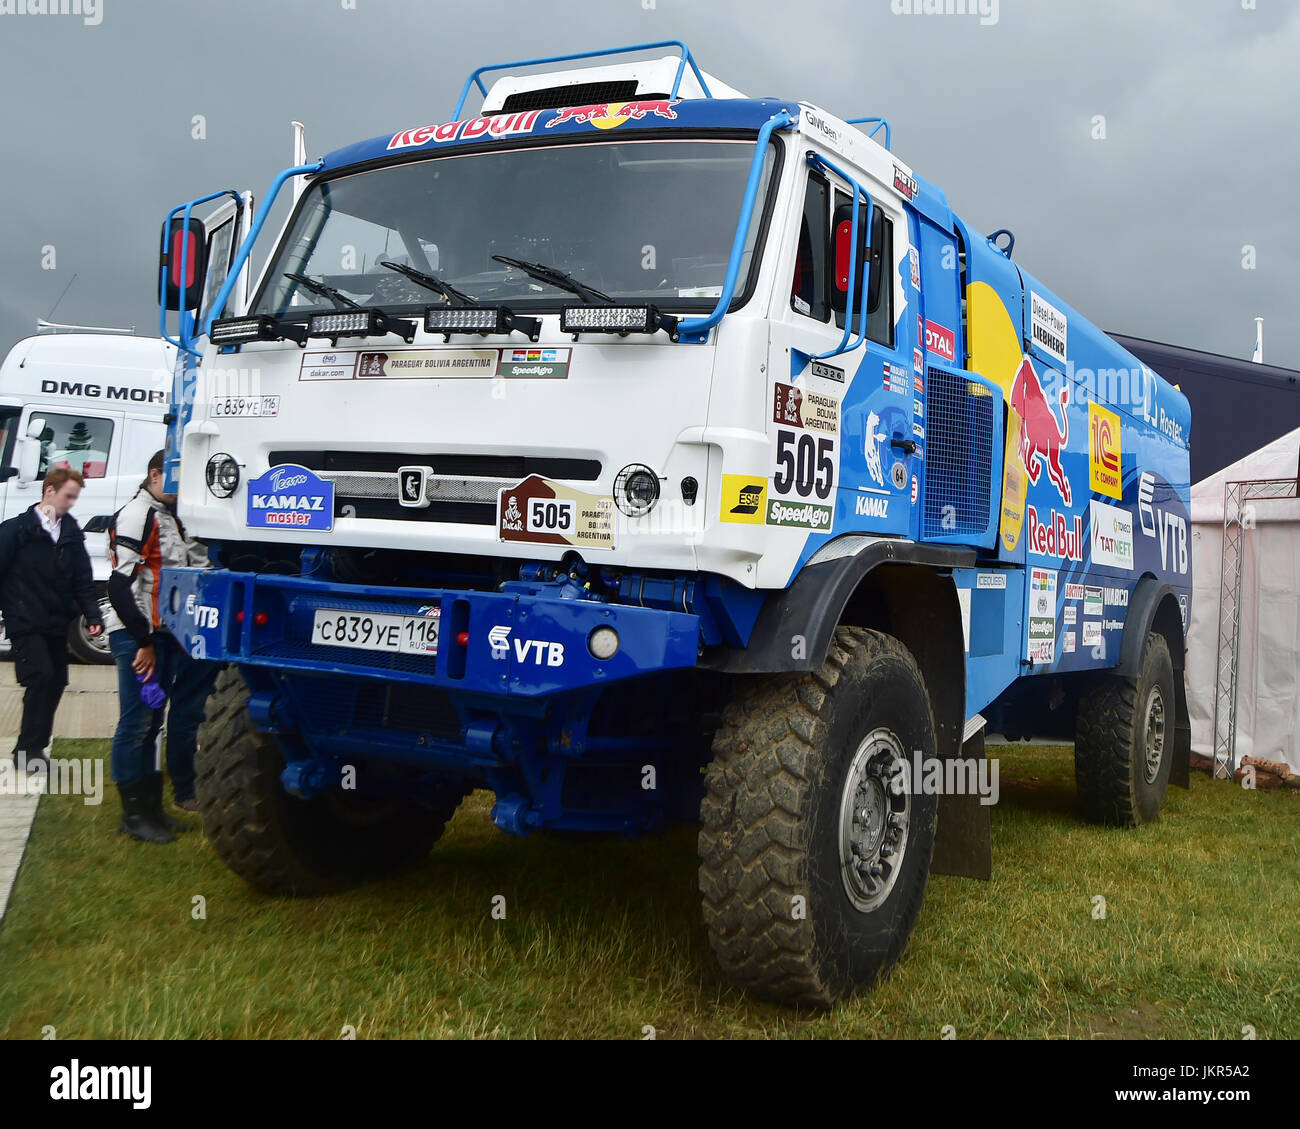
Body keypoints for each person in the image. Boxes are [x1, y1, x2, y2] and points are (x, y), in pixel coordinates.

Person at [105, 450, 218, 844]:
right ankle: (133, 814)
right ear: (155, 474)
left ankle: (151, 810)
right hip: (137, 635)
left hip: (166, 635)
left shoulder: (175, 514)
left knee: (152, 723)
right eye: (176, 478)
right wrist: (142, 642)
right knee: (135, 723)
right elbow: (119, 585)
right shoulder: (139, 513)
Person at [0, 467, 104, 773]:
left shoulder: (70, 533)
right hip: (25, 619)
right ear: (49, 491)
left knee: (57, 680)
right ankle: (27, 749)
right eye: (68, 496)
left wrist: (93, 614)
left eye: (75, 497)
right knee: (41, 676)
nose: (72, 502)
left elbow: (83, 579)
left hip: (56, 619)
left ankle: (35, 747)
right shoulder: (15, 531)